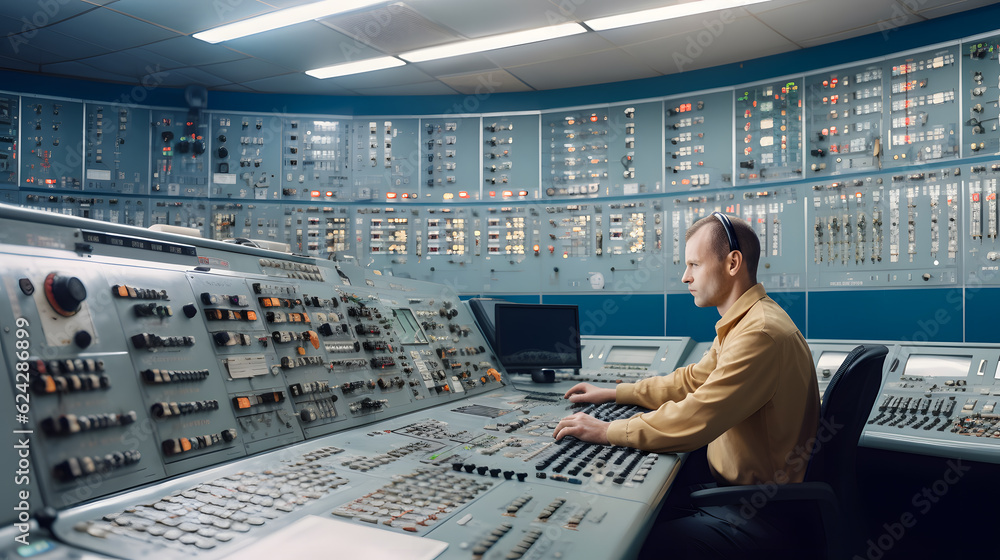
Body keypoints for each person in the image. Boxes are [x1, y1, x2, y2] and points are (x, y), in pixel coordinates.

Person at [553, 212, 821, 558]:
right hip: (742, 496)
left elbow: (696, 417)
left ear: (732, 263)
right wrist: (615, 392)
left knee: (633, 540)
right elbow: (692, 380)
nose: (685, 277)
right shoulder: (745, 323)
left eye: (694, 264)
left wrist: (608, 431)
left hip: (758, 512)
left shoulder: (759, 334)